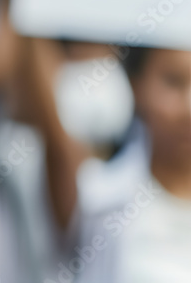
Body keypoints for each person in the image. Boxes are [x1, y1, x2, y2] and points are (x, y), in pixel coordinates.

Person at [18, 37, 191, 282]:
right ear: (136, 86)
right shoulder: (99, 198)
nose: (188, 107)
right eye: (173, 81)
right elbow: (56, 141)